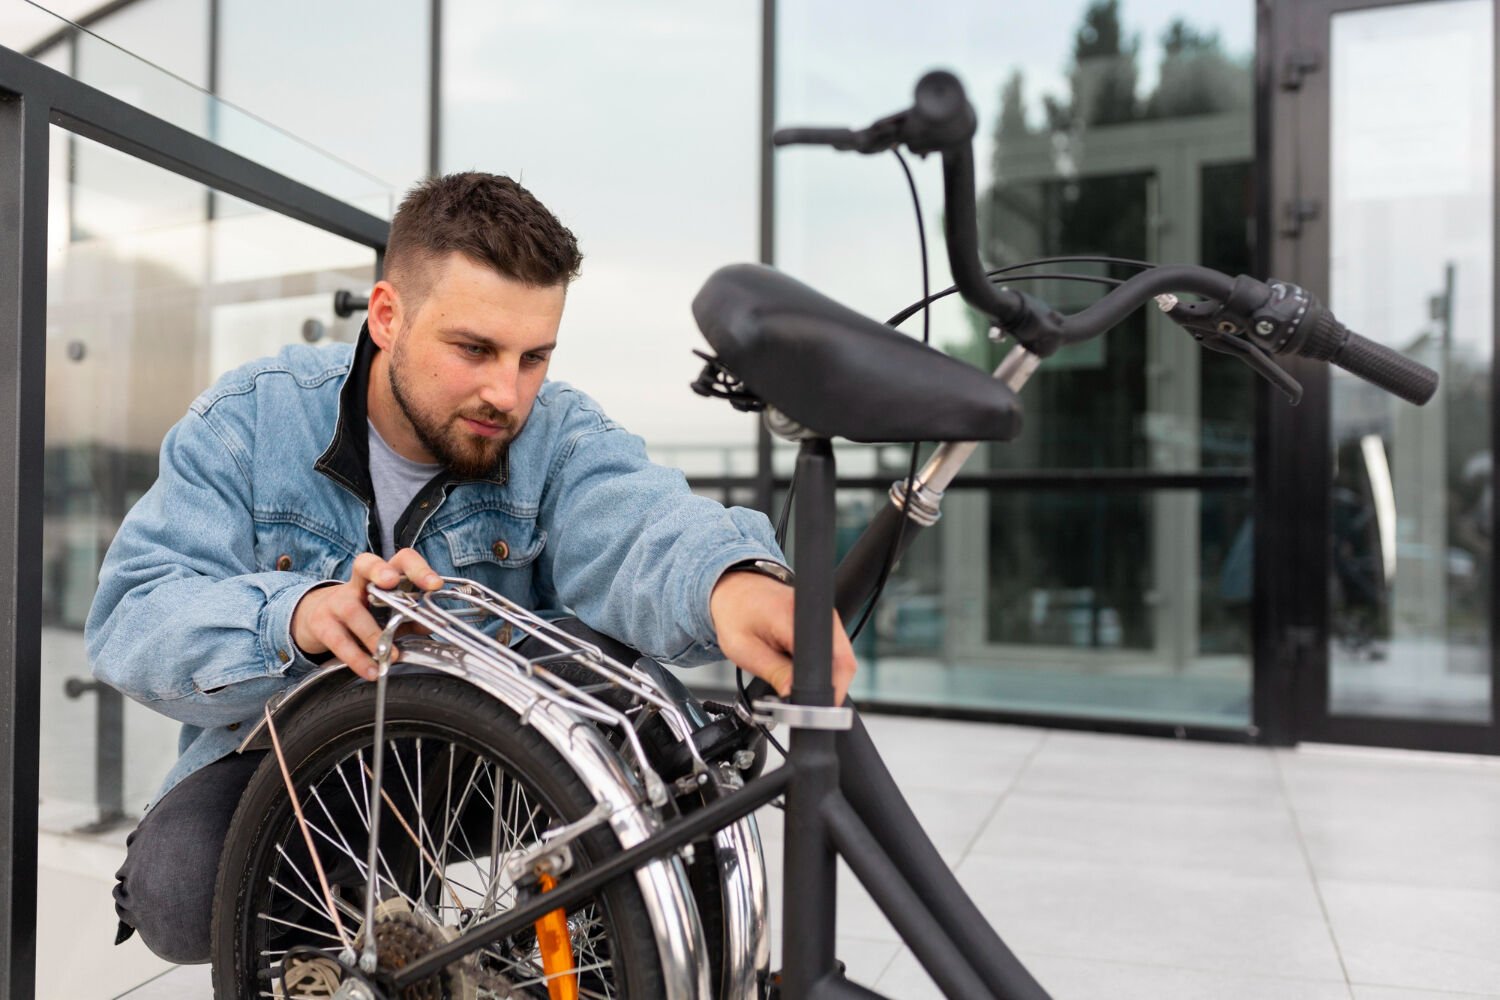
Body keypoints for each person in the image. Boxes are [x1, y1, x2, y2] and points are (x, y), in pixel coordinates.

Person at [85, 171, 858, 965]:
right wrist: (296, 615)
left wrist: (728, 581)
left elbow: (639, 522)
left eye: (534, 357)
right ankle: (367, 941)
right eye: (475, 349)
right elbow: (134, 613)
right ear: (387, 316)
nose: (507, 393)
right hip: (301, 758)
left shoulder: (557, 434)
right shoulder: (252, 419)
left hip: (484, 753)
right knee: (179, 890)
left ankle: (552, 966)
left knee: (664, 788)